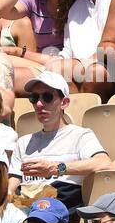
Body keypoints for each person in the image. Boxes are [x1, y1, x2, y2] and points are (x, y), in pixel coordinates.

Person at [12, 71, 110, 210]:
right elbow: (11, 187)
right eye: (34, 98)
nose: (39, 104)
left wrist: (55, 168)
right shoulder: (23, 143)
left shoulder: (80, 136)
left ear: (64, 103)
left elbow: (104, 163)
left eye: (47, 97)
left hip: (57, 213)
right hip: (25, 210)